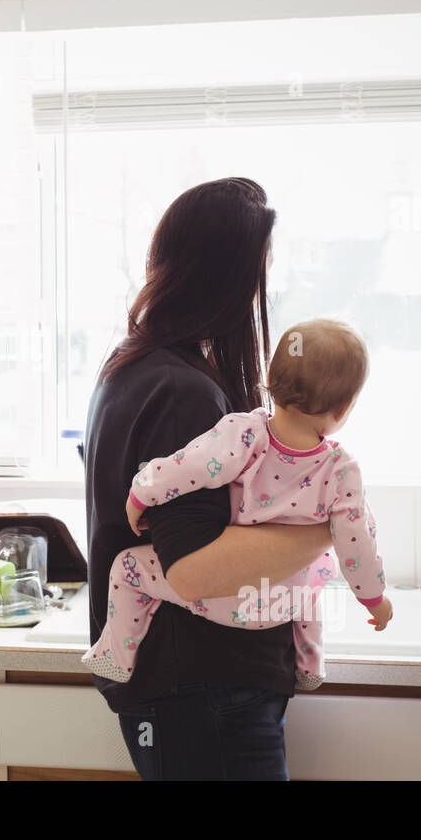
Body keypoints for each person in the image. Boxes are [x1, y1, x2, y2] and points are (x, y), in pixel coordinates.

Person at [82, 177, 332, 780]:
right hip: (202, 693)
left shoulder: (141, 366)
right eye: (261, 270)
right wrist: (333, 527)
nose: (263, 289)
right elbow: (190, 570)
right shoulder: (181, 391)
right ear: (231, 277)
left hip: (194, 690)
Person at [83, 318, 393, 690]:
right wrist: (374, 599)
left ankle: (115, 657)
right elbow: (358, 543)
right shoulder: (343, 470)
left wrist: (141, 494)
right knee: (318, 569)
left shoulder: (245, 433)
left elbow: (189, 467)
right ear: (342, 410)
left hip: (227, 601)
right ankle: (310, 665)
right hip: (286, 603)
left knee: (126, 567)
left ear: (271, 381)